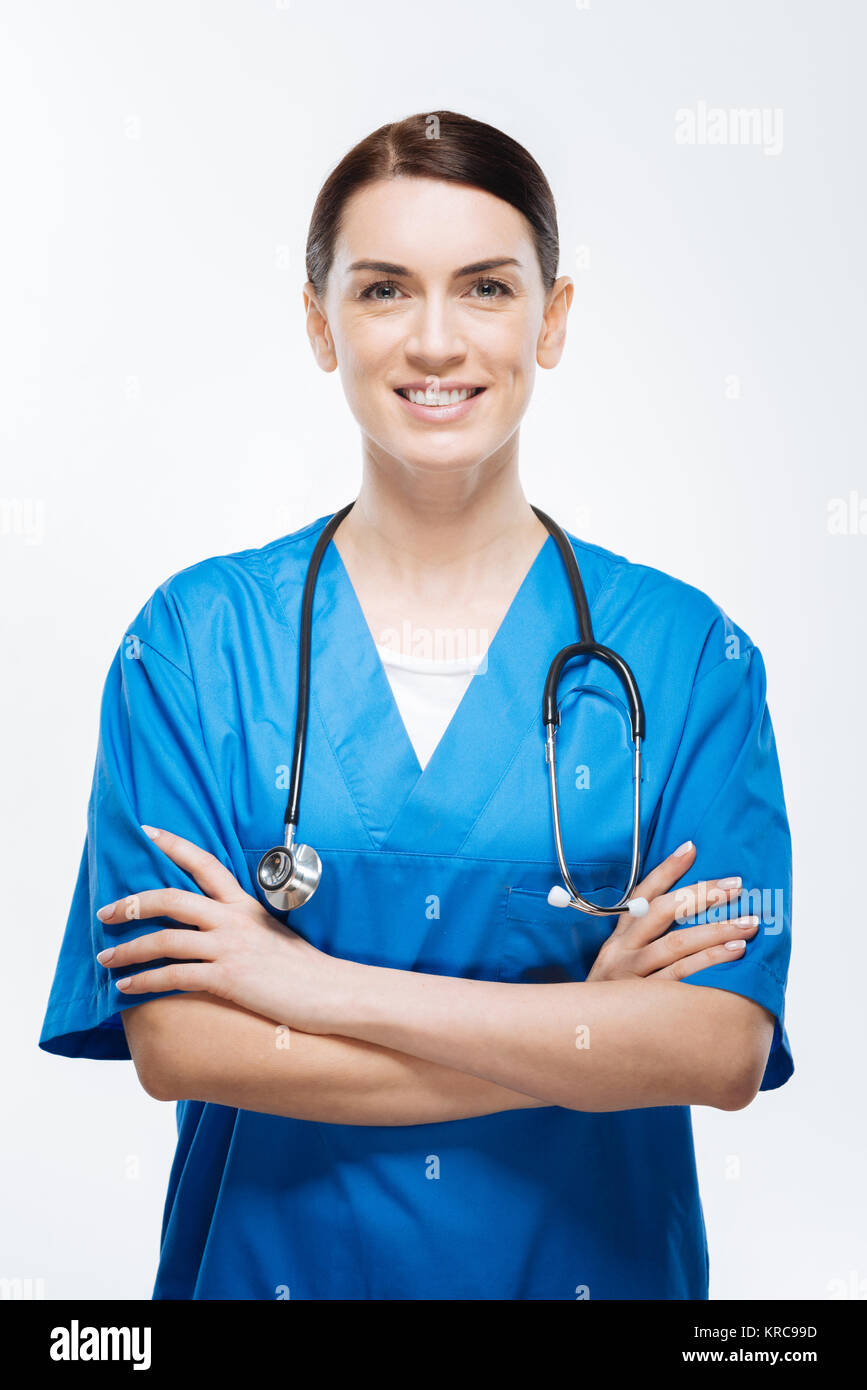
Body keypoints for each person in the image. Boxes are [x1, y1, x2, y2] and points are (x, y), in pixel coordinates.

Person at [39, 110, 793, 1301]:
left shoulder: (687, 655)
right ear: (318, 322)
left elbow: (718, 1046)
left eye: (485, 288)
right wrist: (588, 1037)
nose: (435, 342)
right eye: (385, 288)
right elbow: (181, 1042)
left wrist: (309, 985)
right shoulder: (191, 644)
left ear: (552, 321)